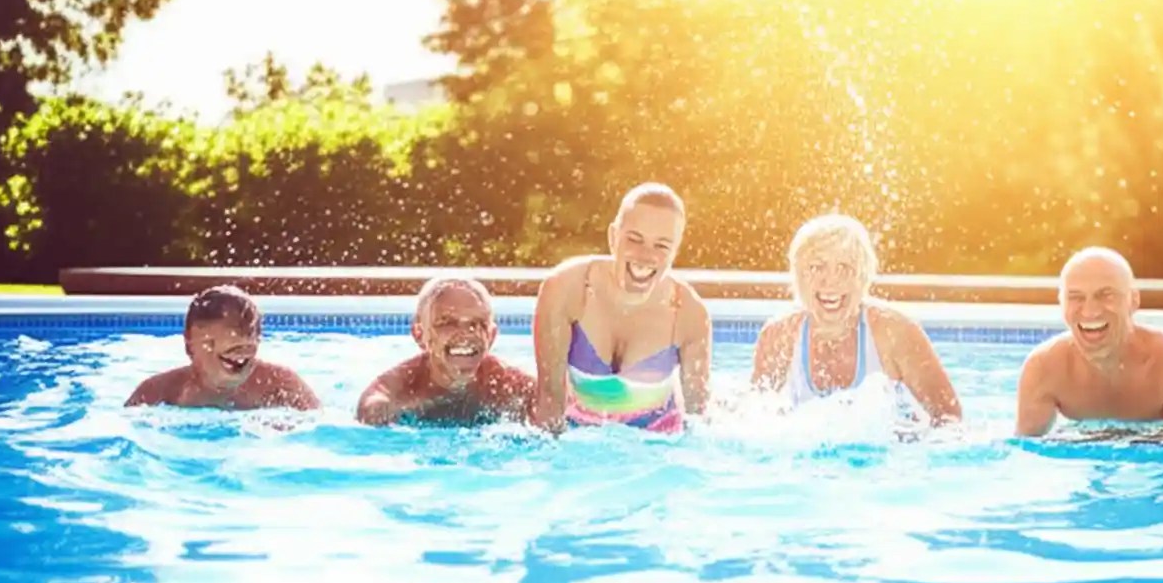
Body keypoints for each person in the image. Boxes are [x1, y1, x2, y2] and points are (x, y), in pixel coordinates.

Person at [532, 183, 711, 433]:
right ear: (613, 237)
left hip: (657, 443)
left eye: (661, 246)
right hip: (578, 433)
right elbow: (549, 397)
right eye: (634, 239)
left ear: (675, 251)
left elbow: (697, 419)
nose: (646, 256)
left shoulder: (688, 314)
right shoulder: (567, 289)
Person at [750, 213, 962, 425]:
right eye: (816, 267)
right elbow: (755, 421)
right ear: (797, 275)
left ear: (864, 276)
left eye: (845, 268)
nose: (830, 282)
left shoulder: (895, 332)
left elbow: (949, 419)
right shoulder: (779, 336)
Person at [1015, 247, 1163, 437]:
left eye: (1106, 295)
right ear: (1061, 304)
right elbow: (1023, 453)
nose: (1090, 311)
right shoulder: (1043, 368)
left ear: (1133, 300)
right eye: (1076, 297)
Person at [357, 277, 535, 426]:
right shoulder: (393, 394)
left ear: (492, 335)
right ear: (420, 335)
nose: (465, 334)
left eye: (477, 323)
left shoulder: (512, 387)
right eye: (447, 323)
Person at [126, 285, 320, 410]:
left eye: (248, 340)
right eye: (211, 343)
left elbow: (320, 428)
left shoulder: (278, 386)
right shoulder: (161, 392)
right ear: (190, 347)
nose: (241, 353)